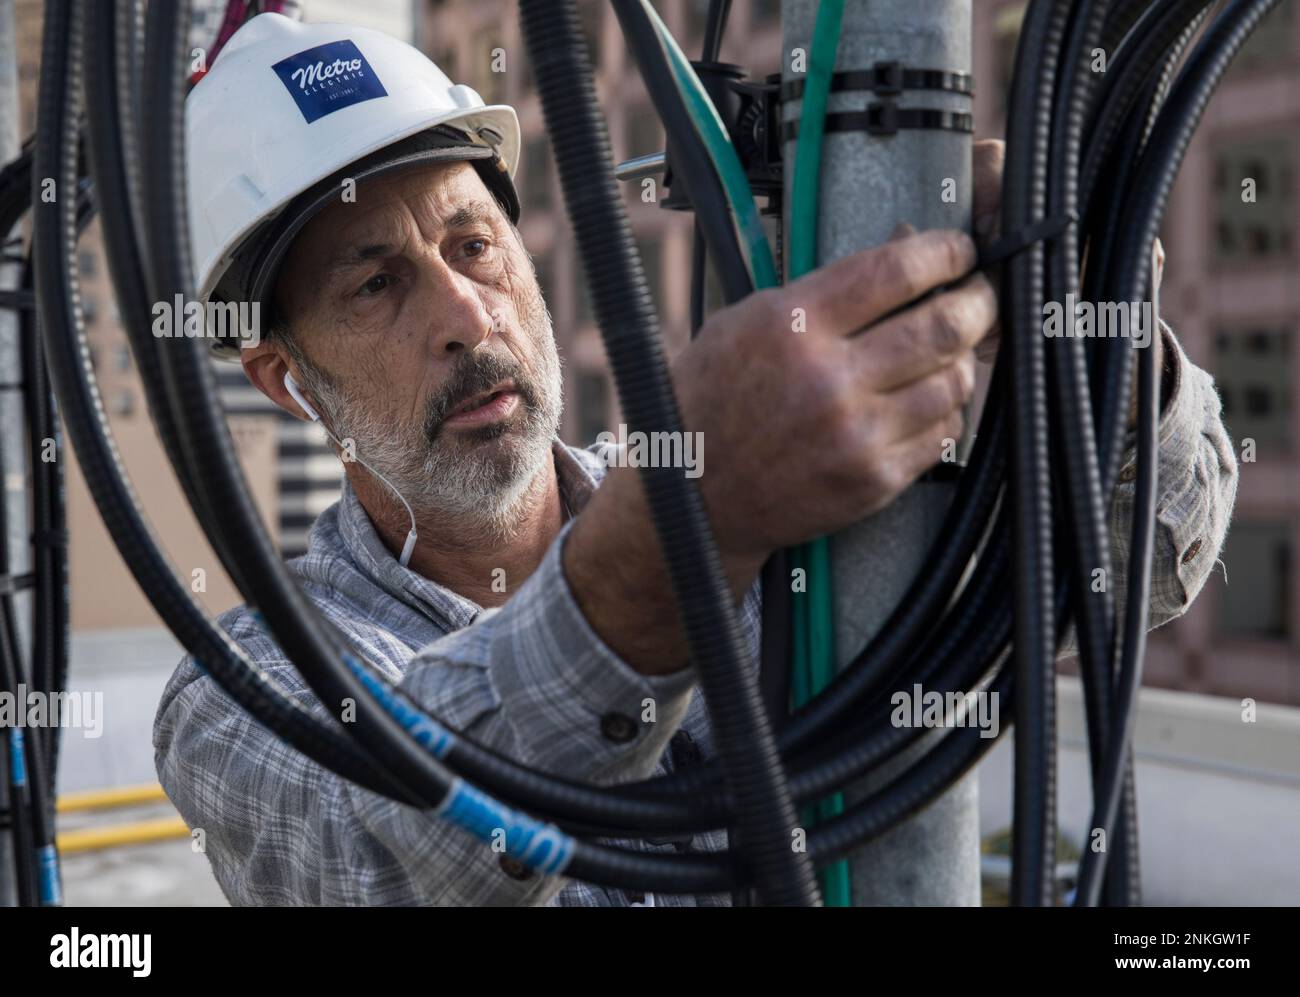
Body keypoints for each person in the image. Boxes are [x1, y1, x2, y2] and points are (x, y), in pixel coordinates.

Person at [155, 12, 1238, 906]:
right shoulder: (245, 691)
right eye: (375, 283)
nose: (465, 316)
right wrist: (688, 534)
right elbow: (382, 855)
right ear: (285, 379)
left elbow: (1137, 565)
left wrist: (1100, 331)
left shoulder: (774, 503)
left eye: (473, 244)